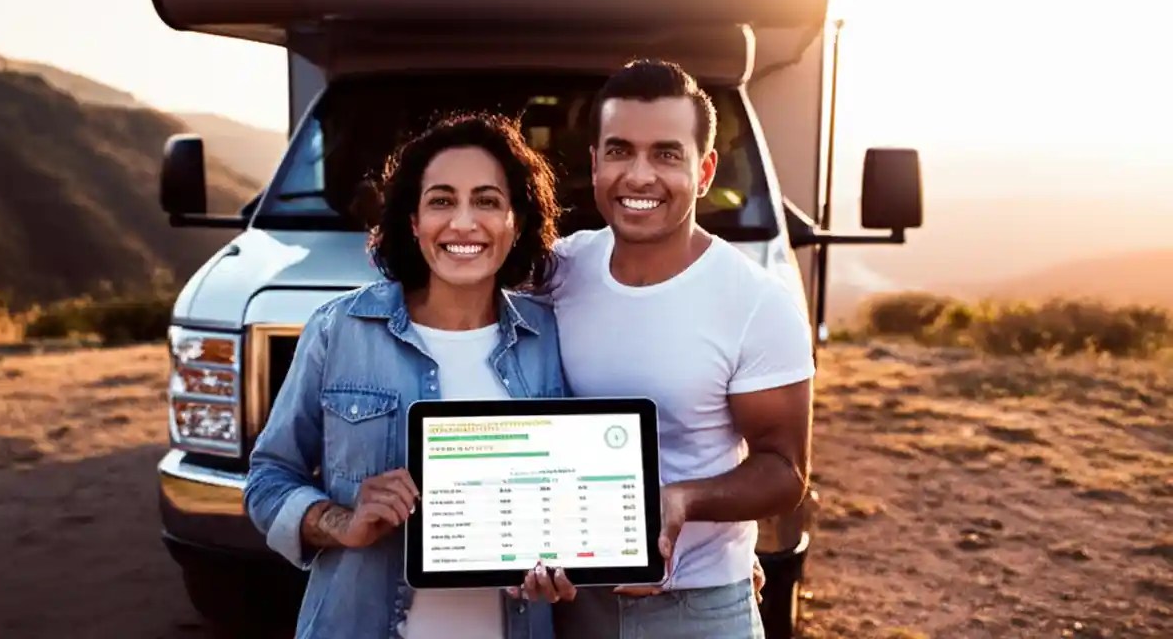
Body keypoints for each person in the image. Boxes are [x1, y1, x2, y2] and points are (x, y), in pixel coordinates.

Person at [244, 112, 578, 639]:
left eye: (487, 201)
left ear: (517, 221)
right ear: (413, 222)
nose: (463, 223)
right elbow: (267, 479)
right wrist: (342, 522)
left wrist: (569, 559)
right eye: (441, 201)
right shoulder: (338, 330)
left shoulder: (553, 338)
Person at [534, 59, 817, 638]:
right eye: (619, 151)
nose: (639, 176)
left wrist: (684, 499)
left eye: (666, 154)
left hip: (700, 609)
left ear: (705, 170)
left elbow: (786, 472)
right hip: (567, 608)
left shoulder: (755, 300)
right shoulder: (556, 271)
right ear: (594, 163)